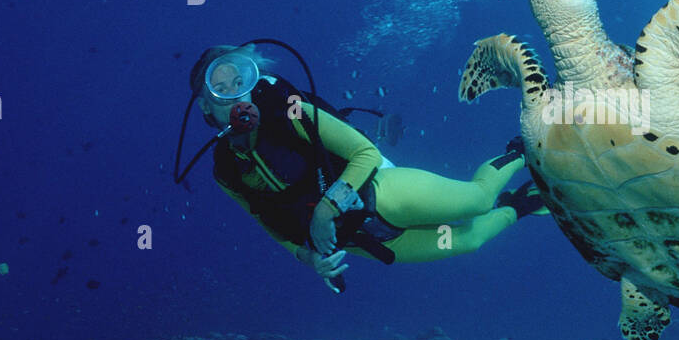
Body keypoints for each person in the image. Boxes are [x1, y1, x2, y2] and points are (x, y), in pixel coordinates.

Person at [188, 44, 544, 290]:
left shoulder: (289, 111)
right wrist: (310, 259)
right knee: (471, 240)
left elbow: (366, 153)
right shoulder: (226, 171)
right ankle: (522, 203)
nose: (236, 95)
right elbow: (269, 224)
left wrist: (325, 211)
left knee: (479, 200)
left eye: (240, 82)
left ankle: (523, 150)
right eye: (220, 90)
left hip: (386, 194)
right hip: (364, 240)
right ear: (206, 106)